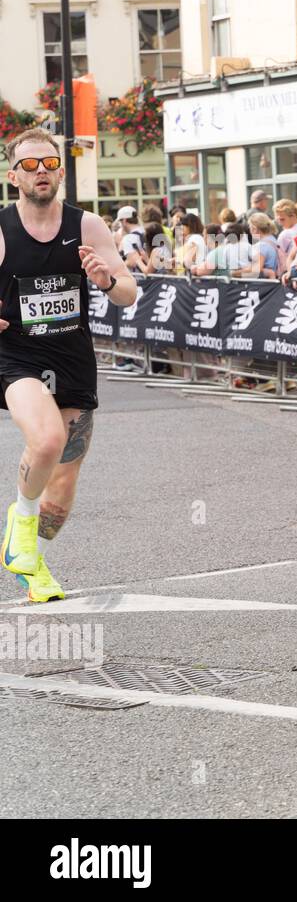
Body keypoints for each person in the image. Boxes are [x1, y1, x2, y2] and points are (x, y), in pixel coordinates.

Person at [0, 129, 140, 602]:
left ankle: (30, 561)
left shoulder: (87, 226)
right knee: (46, 439)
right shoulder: (0, 228)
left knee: (59, 491)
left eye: (50, 163)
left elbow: (128, 293)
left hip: (73, 358)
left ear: (60, 170)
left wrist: (104, 280)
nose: (42, 171)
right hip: (16, 355)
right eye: (31, 164)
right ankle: (18, 532)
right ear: (13, 175)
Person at [247, 213, 282, 280]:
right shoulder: (273, 240)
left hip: (262, 284)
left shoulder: (261, 245)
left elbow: (256, 269)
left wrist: (234, 273)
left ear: (254, 229)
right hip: (274, 282)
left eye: (250, 227)